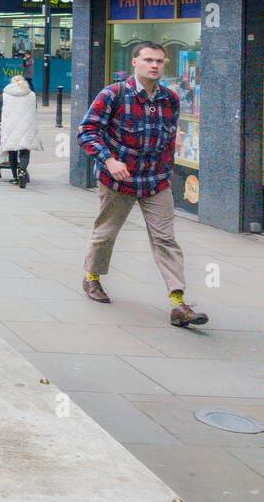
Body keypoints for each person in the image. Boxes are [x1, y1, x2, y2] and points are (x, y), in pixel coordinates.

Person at [76, 41, 209, 328]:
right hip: (118, 180)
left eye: (160, 61)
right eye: (148, 60)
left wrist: (167, 171)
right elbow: (87, 131)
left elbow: (170, 139)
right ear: (134, 62)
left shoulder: (169, 99)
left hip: (155, 181)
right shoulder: (113, 94)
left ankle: (178, 303)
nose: (155, 66)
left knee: (166, 239)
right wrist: (109, 160)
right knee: (106, 233)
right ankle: (92, 278)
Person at [0, 75, 36, 181]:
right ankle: (22, 171)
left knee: (12, 150)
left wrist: (2, 119)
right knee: (25, 150)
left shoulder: (5, 95)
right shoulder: (31, 95)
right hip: (27, 127)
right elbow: (34, 110)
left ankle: (15, 177)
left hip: (10, 126)